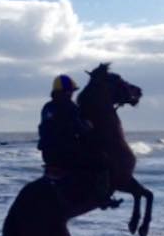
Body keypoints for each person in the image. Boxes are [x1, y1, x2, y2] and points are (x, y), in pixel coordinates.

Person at [37, 74, 119, 209]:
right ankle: (102, 198)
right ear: (65, 92)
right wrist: (89, 127)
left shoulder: (47, 107)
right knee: (102, 162)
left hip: (48, 154)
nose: (72, 94)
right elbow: (79, 128)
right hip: (65, 153)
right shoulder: (69, 106)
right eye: (71, 91)